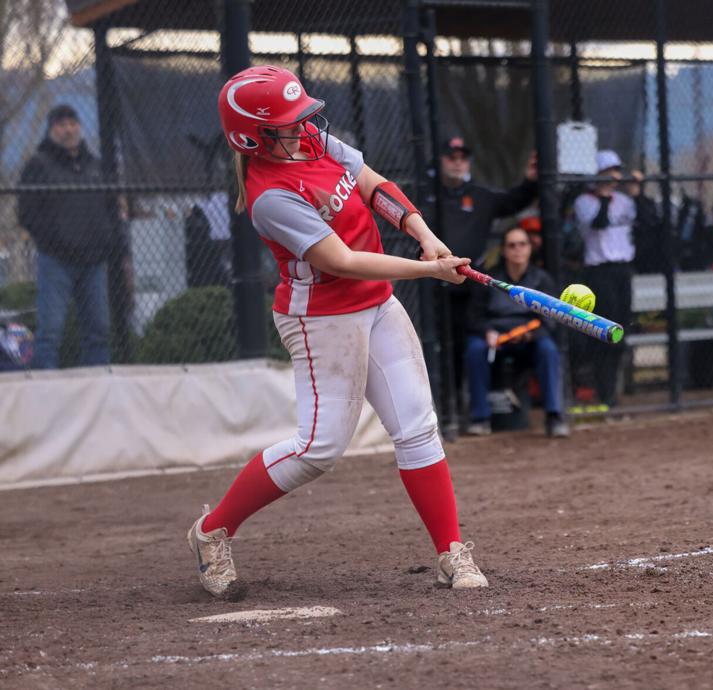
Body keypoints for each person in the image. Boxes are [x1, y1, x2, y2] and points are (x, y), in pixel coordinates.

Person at [187, 65, 487, 599]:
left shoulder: (309, 137)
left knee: (417, 426)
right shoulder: (270, 196)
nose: (303, 124)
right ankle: (212, 532)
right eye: (286, 120)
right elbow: (344, 261)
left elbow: (372, 185)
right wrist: (428, 270)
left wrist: (425, 234)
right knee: (319, 448)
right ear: (252, 136)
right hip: (322, 318)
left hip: (376, 305)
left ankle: (451, 552)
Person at [422, 136, 539, 393]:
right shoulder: (426, 194)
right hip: (432, 286)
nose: (457, 163)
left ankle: (472, 407)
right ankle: (443, 405)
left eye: (462, 158)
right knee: (437, 348)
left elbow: (513, 201)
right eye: (451, 158)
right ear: (441, 161)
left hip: (472, 287)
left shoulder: (480, 196)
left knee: (470, 344)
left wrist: (531, 181)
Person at [17, 104, 119, 369]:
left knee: (97, 332)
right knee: (50, 332)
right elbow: (26, 212)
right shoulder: (39, 165)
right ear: (51, 130)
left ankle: (96, 390)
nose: (68, 129)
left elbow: (111, 209)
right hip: (56, 261)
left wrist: (106, 241)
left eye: (72, 123)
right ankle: (45, 393)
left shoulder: (95, 165)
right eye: (61, 125)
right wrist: (53, 241)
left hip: (94, 260)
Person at [464, 226, 569, 438]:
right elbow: (473, 317)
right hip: (496, 339)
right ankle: (480, 419)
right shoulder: (490, 279)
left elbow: (550, 319)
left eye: (522, 244)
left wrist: (531, 334)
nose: (517, 250)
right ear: (504, 250)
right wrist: (488, 332)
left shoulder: (542, 279)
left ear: (530, 249)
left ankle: (554, 417)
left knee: (548, 349)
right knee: (474, 349)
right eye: (512, 245)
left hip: (530, 338)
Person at [572, 150, 636, 407]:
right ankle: (605, 392)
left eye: (615, 171)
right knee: (606, 332)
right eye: (606, 172)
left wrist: (637, 193)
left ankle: (613, 391)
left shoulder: (625, 200)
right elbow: (597, 224)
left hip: (623, 269)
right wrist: (605, 198)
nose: (612, 177)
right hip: (599, 271)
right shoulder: (584, 201)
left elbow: (645, 223)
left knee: (623, 331)